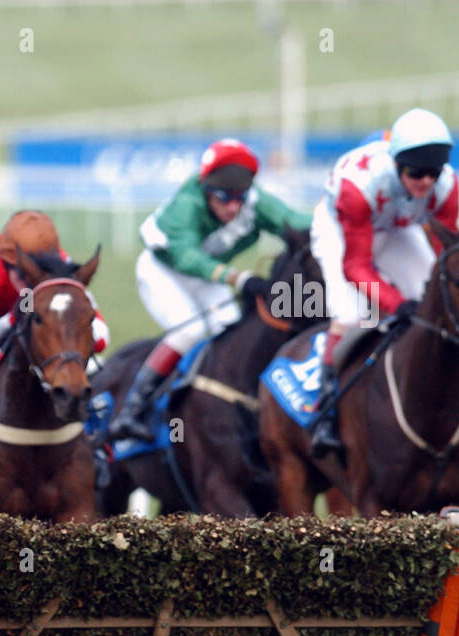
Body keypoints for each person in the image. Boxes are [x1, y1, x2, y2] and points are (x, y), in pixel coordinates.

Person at [109, 139, 312, 442]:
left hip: (207, 276)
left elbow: (294, 221)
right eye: (223, 198)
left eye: (239, 198)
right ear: (206, 190)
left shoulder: (254, 201)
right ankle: (133, 409)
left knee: (231, 332)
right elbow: (188, 258)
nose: (233, 207)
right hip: (163, 272)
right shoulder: (186, 205)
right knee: (189, 332)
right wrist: (239, 279)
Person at [306, 108, 459, 455]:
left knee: (437, 302)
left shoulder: (447, 186)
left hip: (394, 226)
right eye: (416, 173)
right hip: (341, 232)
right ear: (396, 165)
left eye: (433, 173)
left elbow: (446, 255)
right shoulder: (357, 187)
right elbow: (356, 265)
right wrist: (395, 303)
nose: (426, 183)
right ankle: (326, 411)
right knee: (355, 314)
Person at [0, 210, 108, 377]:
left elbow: (102, 338)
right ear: (6, 264)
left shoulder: (61, 268)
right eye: (25, 275)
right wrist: (8, 323)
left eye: (41, 274)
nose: (32, 285)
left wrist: (69, 329)